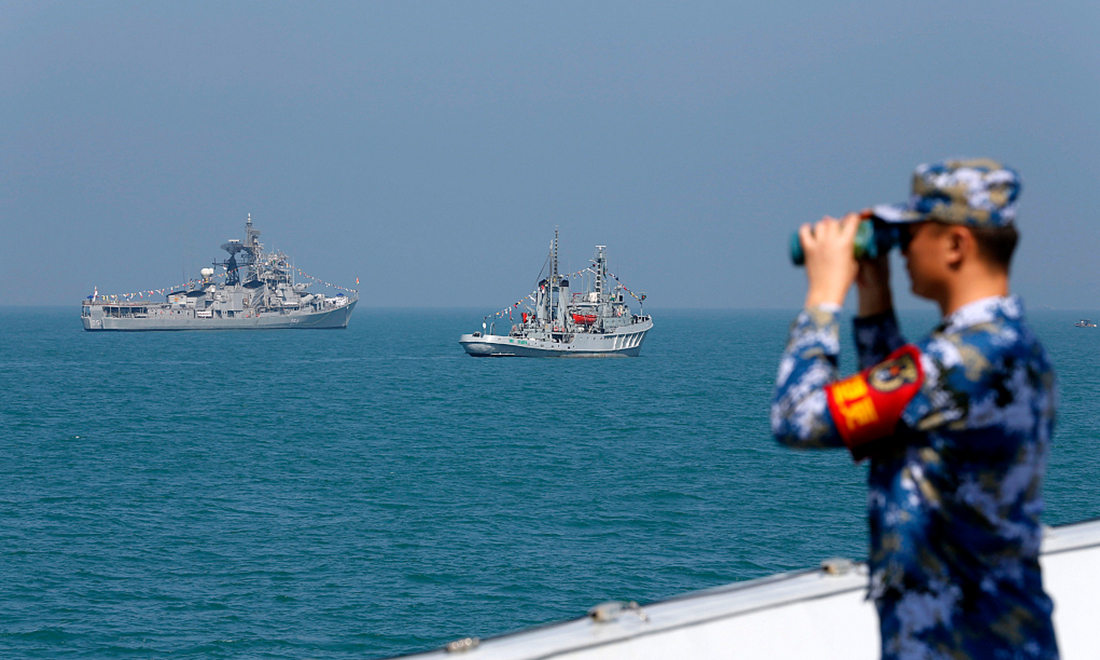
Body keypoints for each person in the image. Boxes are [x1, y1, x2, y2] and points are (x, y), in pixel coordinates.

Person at [770, 159, 1059, 659]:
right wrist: (874, 292)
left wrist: (822, 298)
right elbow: (892, 419)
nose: (902, 248)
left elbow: (797, 418)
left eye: (911, 233)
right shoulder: (1003, 347)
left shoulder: (962, 360)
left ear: (955, 245)